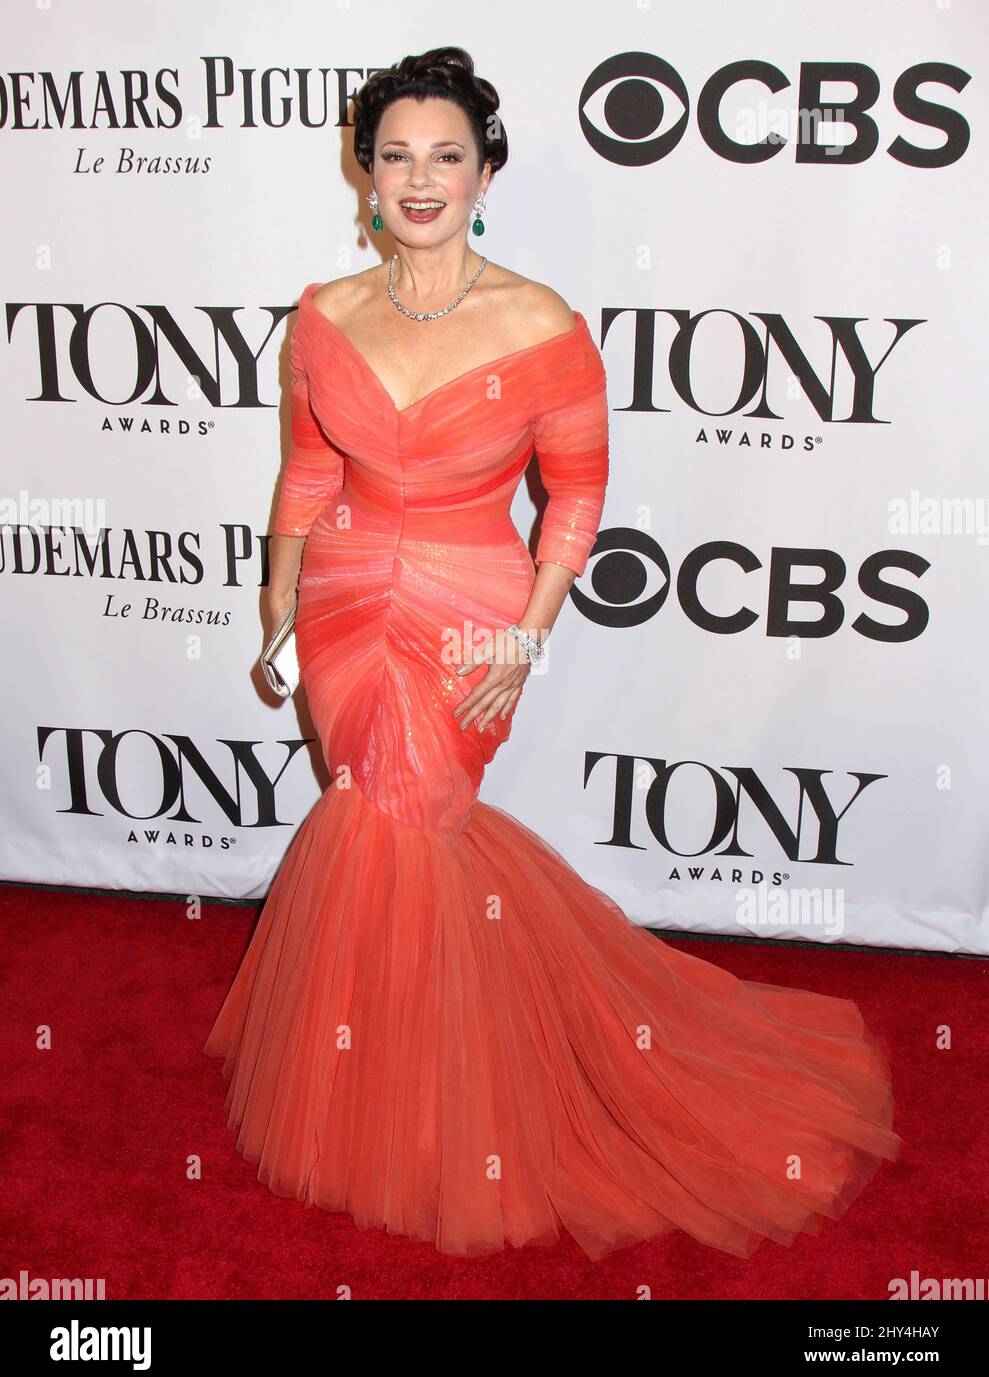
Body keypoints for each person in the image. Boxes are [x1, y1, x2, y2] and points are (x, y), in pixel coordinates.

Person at [203, 47, 901, 1262]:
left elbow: (573, 499)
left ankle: (446, 1112)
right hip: (341, 601)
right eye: (396, 155)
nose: (420, 180)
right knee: (366, 814)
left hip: (470, 614)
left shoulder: (539, 325)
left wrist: (525, 637)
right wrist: (275, 586)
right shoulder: (324, 316)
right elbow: (312, 465)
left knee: (413, 820)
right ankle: (387, 1075)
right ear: (363, 172)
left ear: (483, 171)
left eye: (446, 157)